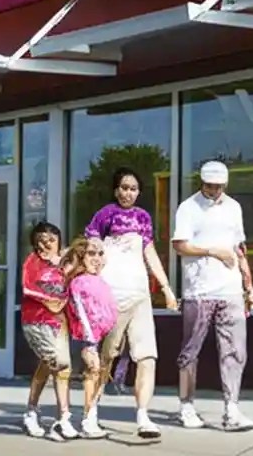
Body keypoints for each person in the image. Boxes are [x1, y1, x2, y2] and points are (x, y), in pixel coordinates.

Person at [83, 166, 178, 438]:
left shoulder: (143, 218)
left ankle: (143, 416)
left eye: (133, 188)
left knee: (147, 356)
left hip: (140, 296)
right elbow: (90, 252)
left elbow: (150, 253)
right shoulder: (105, 215)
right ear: (116, 190)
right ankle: (91, 413)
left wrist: (167, 288)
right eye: (124, 188)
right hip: (112, 296)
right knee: (106, 356)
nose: (128, 193)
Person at [171, 161, 253, 432]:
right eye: (210, 186)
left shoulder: (234, 207)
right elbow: (180, 245)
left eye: (219, 186)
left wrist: (249, 287)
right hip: (199, 290)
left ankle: (231, 409)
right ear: (202, 183)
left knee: (234, 350)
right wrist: (212, 252)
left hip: (230, 290)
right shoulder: (188, 207)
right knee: (191, 350)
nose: (214, 190)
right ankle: (186, 405)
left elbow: (239, 248)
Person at [20, 222, 78, 441]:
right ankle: (39, 414)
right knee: (59, 361)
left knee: (56, 367)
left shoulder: (64, 264)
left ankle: (59, 418)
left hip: (59, 323)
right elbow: (31, 289)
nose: (47, 244)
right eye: (42, 239)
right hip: (37, 322)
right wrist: (56, 302)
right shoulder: (32, 262)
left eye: (52, 239)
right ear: (35, 242)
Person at [61, 236, 119, 439]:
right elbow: (81, 312)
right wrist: (89, 340)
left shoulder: (100, 281)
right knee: (92, 371)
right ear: (81, 257)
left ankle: (91, 414)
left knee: (97, 373)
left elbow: (107, 309)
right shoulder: (79, 283)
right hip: (86, 337)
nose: (97, 259)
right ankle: (87, 418)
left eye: (100, 254)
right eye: (91, 254)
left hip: (100, 334)